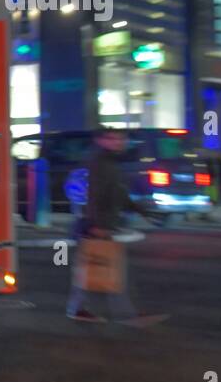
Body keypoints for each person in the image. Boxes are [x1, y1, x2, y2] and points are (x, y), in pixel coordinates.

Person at [67, 128, 166, 326]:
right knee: (108, 268)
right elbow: (94, 195)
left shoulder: (110, 162)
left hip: (99, 223)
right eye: (112, 139)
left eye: (121, 138)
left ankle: (79, 308)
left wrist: (142, 211)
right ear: (100, 141)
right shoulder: (100, 163)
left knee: (94, 267)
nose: (119, 142)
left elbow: (119, 194)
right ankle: (126, 313)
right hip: (96, 225)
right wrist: (97, 225)